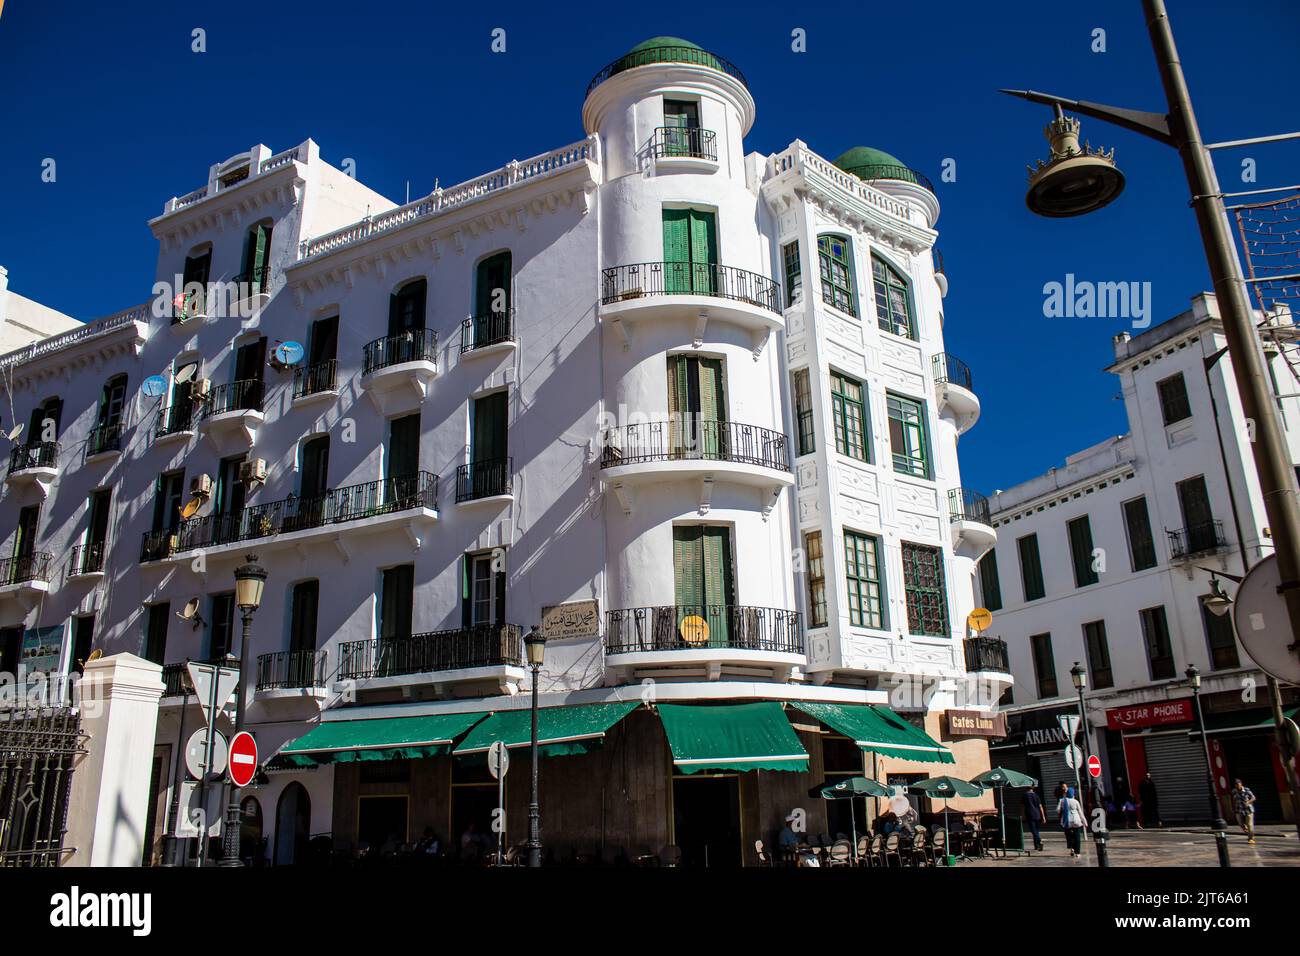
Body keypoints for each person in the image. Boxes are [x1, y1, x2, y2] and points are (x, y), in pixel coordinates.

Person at [1058, 786, 1085, 858]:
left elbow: (1058, 810)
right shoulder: (1075, 801)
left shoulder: (1063, 801)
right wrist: (1085, 822)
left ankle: (1072, 848)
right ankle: (1078, 853)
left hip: (1067, 821)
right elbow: (1080, 812)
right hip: (1076, 821)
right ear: (1073, 794)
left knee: (1069, 836)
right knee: (1077, 837)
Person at [1231, 779, 1257, 845]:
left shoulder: (1247, 790)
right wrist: (1233, 808)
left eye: (1239, 785)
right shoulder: (1234, 791)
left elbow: (1253, 798)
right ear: (1235, 786)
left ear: (1241, 784)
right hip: (1238, 809)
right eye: (1236, 785)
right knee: (1240, 823)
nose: (1238, 787)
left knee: (1249, 824)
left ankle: (1251, 838)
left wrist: (1248, 802)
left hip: (1248, 809)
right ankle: (1247, 830)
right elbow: (1233, 800)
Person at [1022, 786, 1045, 851]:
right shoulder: (1036, 796)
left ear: (1026, 788)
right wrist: (1043, 817)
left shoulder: (1025, 795)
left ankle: (1039, 840)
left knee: (1033, 831)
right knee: (1036, 830)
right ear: (1033, 788)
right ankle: (1036, 846)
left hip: (1029, 815)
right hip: (1037, 815)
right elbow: (1040, 807)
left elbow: (1023, 806)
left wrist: (1023, 815)